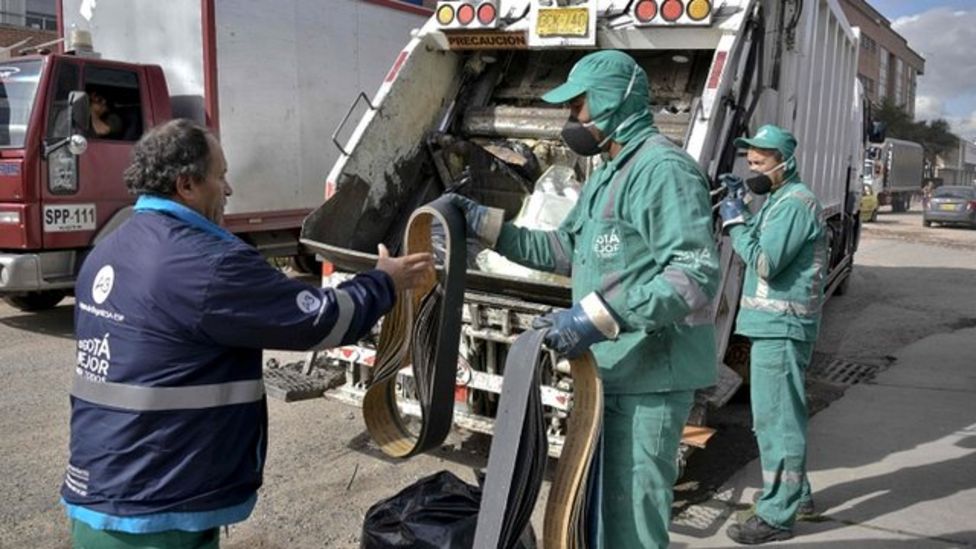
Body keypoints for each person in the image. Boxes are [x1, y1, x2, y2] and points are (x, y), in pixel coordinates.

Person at [61, 119, 433, 548]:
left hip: (103, 489)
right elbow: (321, 320)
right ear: (186, 184)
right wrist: (384, 282)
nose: (229, 189)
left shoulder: (109, 248)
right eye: (220, 176)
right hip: (158, 508)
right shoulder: (206, 264)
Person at [449, 50, 719, 548]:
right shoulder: (607, 173)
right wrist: (483, 224)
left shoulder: (663, 170)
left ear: (614, 102)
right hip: (610, 372)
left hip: (650, 378)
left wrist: (598, 316)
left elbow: (694, 274)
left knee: (631, 521)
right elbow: (563, 249)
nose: (571, 117)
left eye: (579, 105)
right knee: (599, 514)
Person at [718, 124, 827, 544]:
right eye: (749, 161)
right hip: (776, 327)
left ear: (784, 162)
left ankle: (777, 516)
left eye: (760, 162)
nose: (752, 168)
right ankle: (798, 497)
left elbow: (765, 263)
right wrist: (745, 207)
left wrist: (735, 223)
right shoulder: (780, 199)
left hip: (782, 330)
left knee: (777, 422)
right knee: (784, 418)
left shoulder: (795, 205)